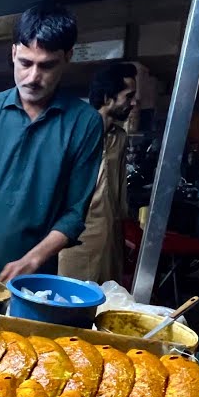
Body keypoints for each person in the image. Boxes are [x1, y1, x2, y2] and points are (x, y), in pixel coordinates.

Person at [0, 2, 104, 281]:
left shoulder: (84, 123)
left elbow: (74, 213)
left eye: (47, 66)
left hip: (32, 282)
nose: (33, 77)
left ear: (68, 57)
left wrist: (33, 260)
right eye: (26, 63)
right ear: (13, 53)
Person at [57, 61, 138, 284]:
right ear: (107, 98)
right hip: (76, 241)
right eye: (128, 96)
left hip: (110, 236)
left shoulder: (119, 138)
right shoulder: (72, 133)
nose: (133, 103)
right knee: (69, 302)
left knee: (106, 299)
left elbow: (120, 189)